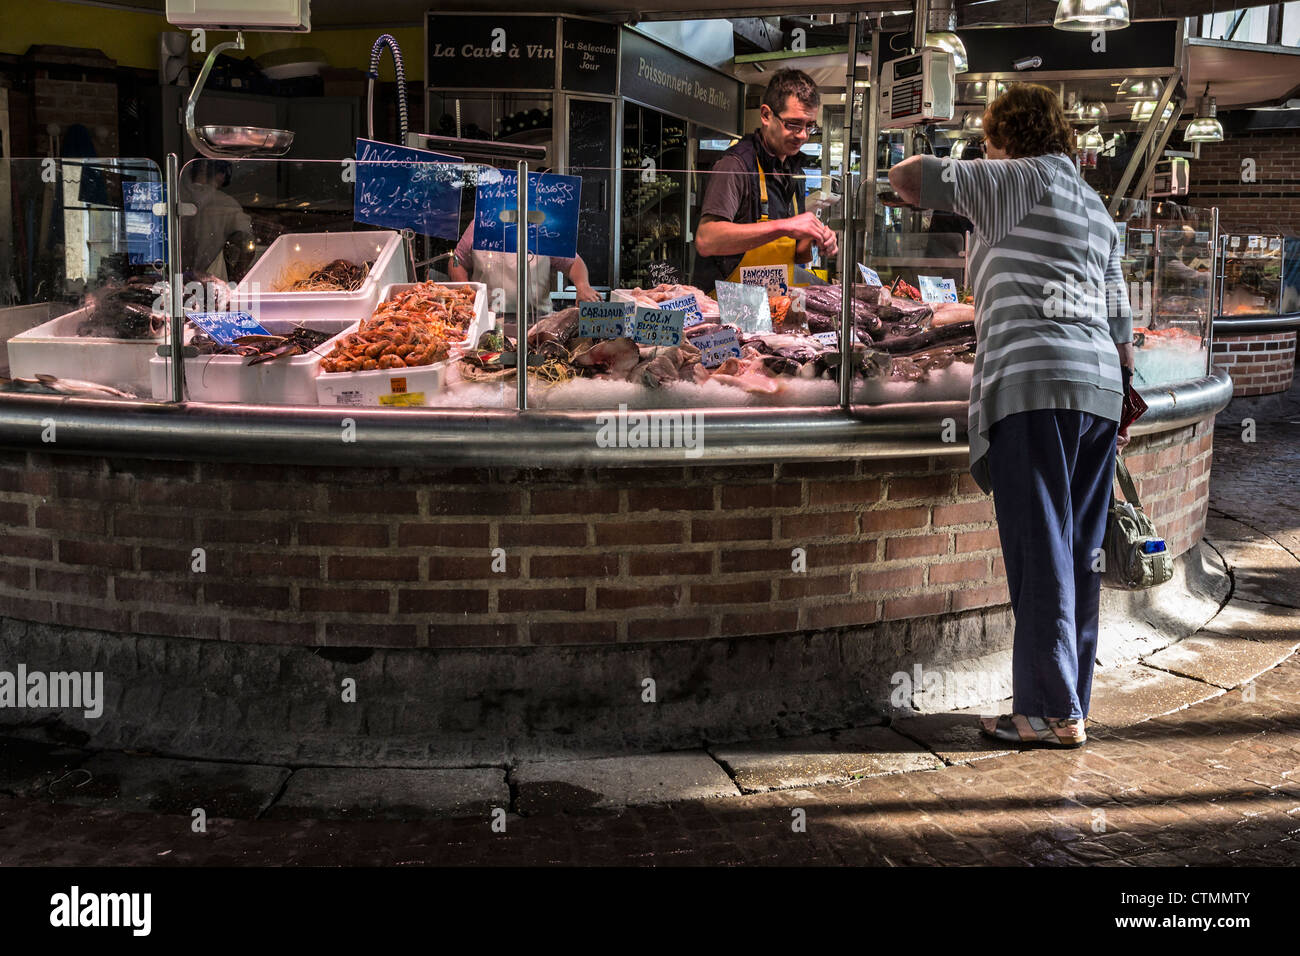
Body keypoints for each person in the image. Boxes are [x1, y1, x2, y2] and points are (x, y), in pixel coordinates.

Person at [889, 84, 1136, 750]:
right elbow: (1121, 326)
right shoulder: (1092, 204)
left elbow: (907, 178)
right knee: (1079, 552)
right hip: (1098, 392)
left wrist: (959, 164)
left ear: (1002, 138)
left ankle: (1045, 713)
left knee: (1040, 549)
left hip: (1033, 382)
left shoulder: (1012, 180)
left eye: (988, 140)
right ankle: (1068, 702)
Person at [693, 68, 837, 291]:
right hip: (725, 311)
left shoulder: (793, 170)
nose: (803, 135)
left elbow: (796, 254)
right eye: (793, 124)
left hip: (772, 309)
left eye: (809, 126)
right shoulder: (736, 164)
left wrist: (816, 238)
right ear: (766, 115)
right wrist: (785, 226)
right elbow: (706, 239)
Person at [448, 221, 599, 321]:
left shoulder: (544, 228)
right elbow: (456, 261)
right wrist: (465, 294)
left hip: (538, 322)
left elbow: (573, 262)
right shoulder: (480, 224)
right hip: (487, 319)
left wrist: (583, 286)